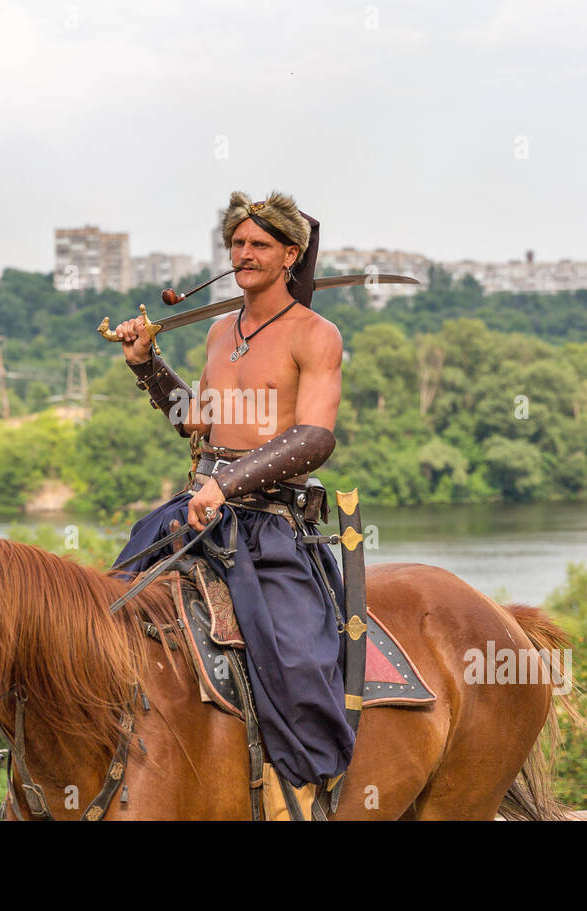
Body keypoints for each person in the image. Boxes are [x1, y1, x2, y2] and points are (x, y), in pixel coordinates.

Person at [112, 190, 352, 819]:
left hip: (269, 524)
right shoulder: (221, 331)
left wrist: (229, 483)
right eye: (237, 243)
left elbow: (315, 438)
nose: (244, 254)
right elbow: (197, 422)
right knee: (107, 611)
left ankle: (302, 795)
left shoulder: (316, 335)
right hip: (197, 511)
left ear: (290, 254)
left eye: (260, 244)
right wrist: (147, 364)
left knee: (298, 662)